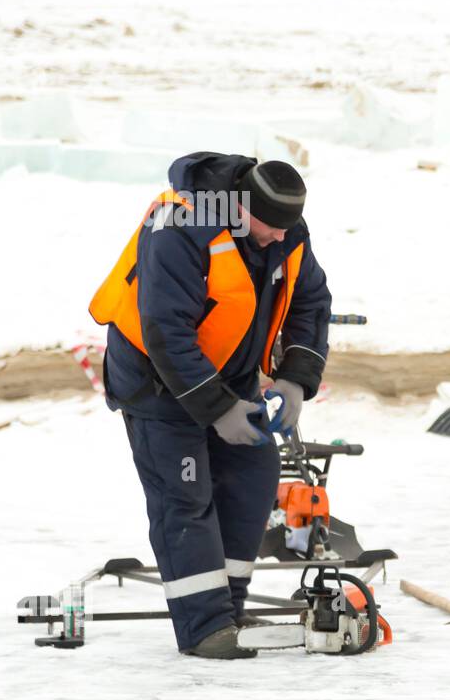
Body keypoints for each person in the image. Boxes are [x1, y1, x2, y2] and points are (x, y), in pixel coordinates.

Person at [89, 153, 331, 659]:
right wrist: (217, 409)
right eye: (271, 228)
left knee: (250, 483)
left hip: (232, 374)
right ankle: (204, 628)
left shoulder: (283, 227)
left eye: (288, 229)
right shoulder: (180, 225)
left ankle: (228, 609)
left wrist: (294, 379)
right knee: (186, 497)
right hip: (157, 382)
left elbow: (311, 301)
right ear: (241, 208)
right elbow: (166, 331)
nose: (279, 239)